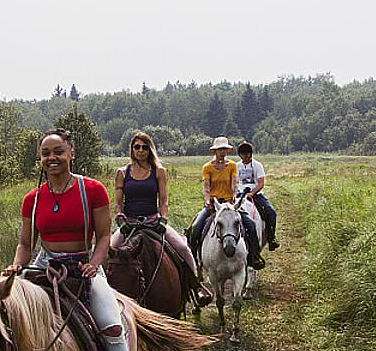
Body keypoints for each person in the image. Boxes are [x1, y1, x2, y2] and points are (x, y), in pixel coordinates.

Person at [3, 128, 139, 351]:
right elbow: (25, 243)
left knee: (112, 326)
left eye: (58, 152)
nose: (52, 158)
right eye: (46, 153)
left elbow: (104, 236)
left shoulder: (92, 190)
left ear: (71, 154)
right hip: (45, 266)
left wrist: (93, 263)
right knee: (7, 319)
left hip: (83, 266)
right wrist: (16, 266)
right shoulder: (32, 199)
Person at [111, 131, 213, 307]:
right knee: (107, 251)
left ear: (150, 150)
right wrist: (121, 220)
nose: (141, 151)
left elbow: (163, 200)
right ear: (132, 149)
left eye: (144, 147)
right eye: (137, 147)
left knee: (183, 248)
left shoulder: (159, 171)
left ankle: (195, 287)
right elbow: (118, 203)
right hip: (130, 223)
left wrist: (162, 219)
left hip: (153, 221)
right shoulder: (122, 172)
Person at [188, 137, 264, 270]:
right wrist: (207, 202)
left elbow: (234, 186)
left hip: (229, 204)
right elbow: (206, 188)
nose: (222, 152)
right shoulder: (207, 167)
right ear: (214, 152)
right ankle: (194, 260)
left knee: (250, 225)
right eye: (219, 150)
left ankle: (254, 257)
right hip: (213, 204)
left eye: (224, 149)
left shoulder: (232, 166)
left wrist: (235, 198)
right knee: (195, 227)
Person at [235, 141, 279, 250]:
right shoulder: (236, 166)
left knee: (271, 212)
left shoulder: (257, 165)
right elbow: (234, 182)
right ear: (240, 155)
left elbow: (261, 183)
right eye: (243, 154)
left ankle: (271, 237)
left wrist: (252, 193)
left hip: (256, 194)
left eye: (247, 154)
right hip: (241, 194)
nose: (245, 156)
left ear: (251, 154)